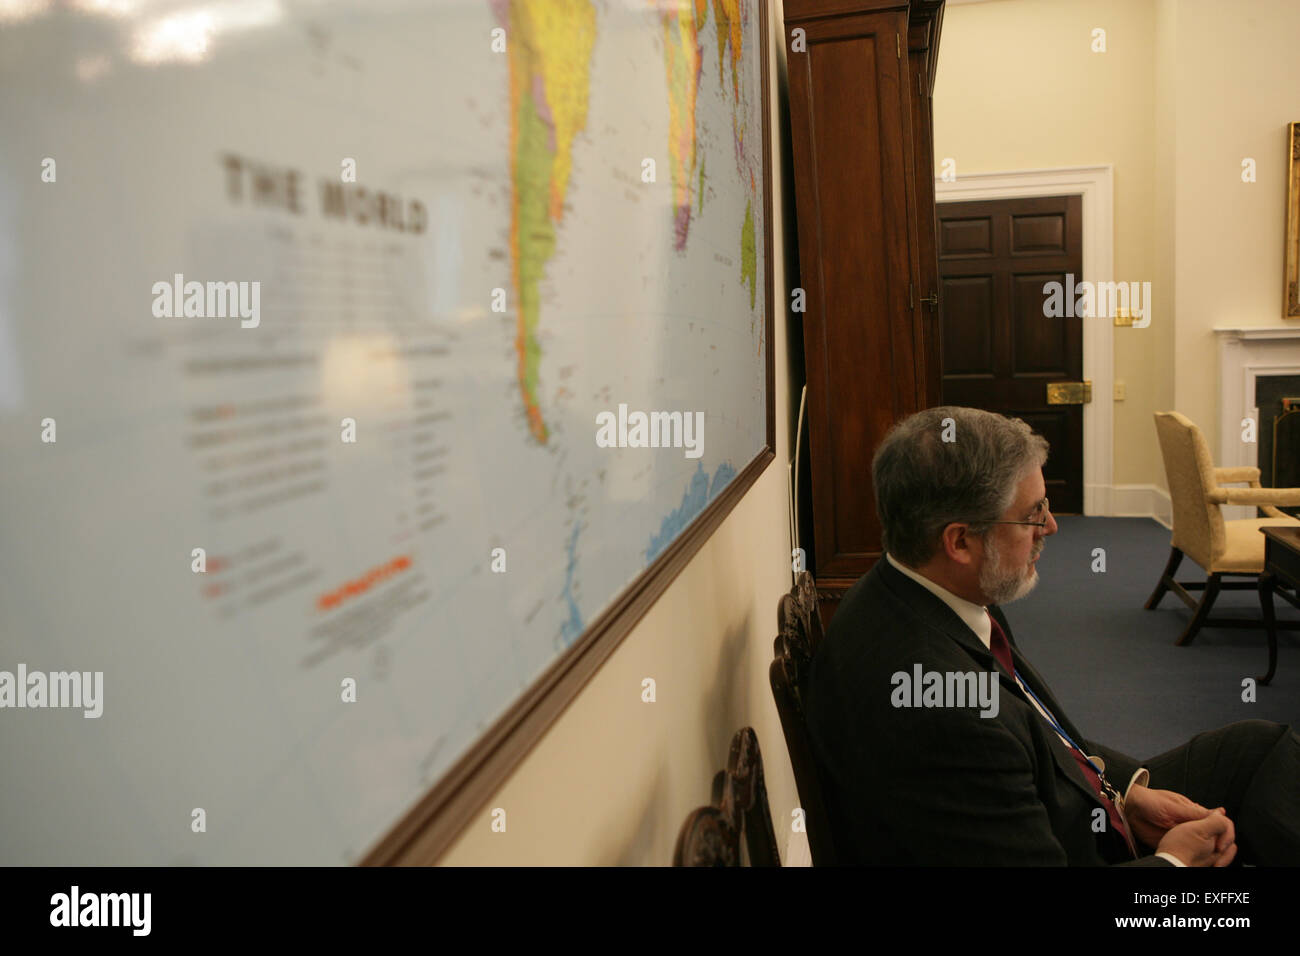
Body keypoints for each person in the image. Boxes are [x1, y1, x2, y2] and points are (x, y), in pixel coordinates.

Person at [804, 405, 1300, 866]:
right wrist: (1173, 862)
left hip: (1065, 798)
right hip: (1071, 840)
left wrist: (1128, 793)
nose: (1052, 526)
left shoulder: (921, 591)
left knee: (1259, 749)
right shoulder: (944, 715)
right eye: (1032, 514)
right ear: (960, 541)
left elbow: (1038, 729)